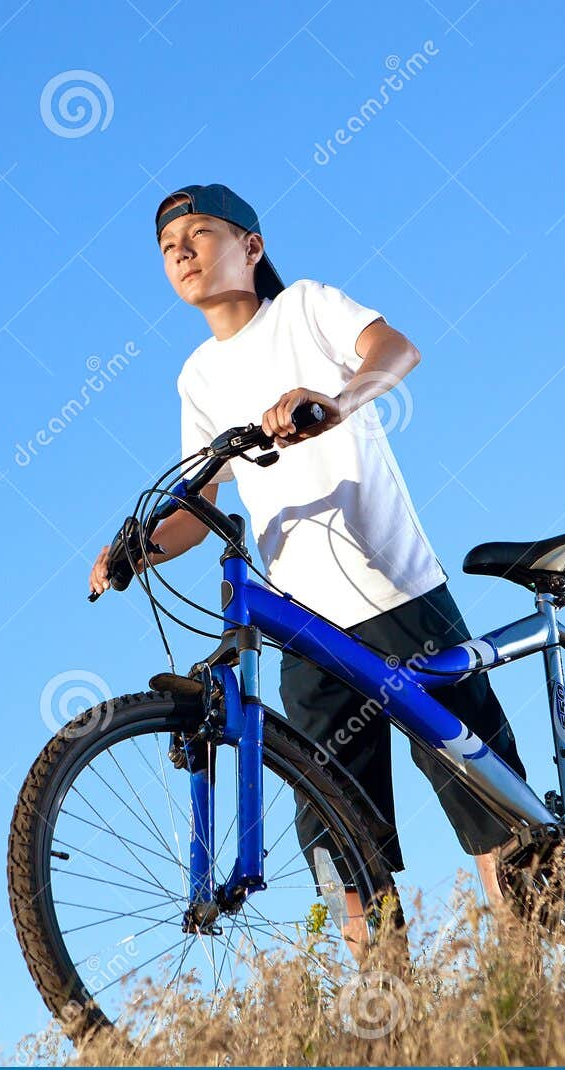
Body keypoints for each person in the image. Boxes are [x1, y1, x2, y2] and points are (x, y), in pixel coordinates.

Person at [88, 182, 529, 949]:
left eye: (198, 234)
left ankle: (536, 964)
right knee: (336, 831)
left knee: (484, 799)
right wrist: (137, 548)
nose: (182, 253)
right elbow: (201, 501)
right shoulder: (196, 376)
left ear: (250, 247)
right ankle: (391, 1024)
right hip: (306, 626)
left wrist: (338, 399)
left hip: (393, 589)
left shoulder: (303, 309)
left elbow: (395, 349)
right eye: (167, 247)